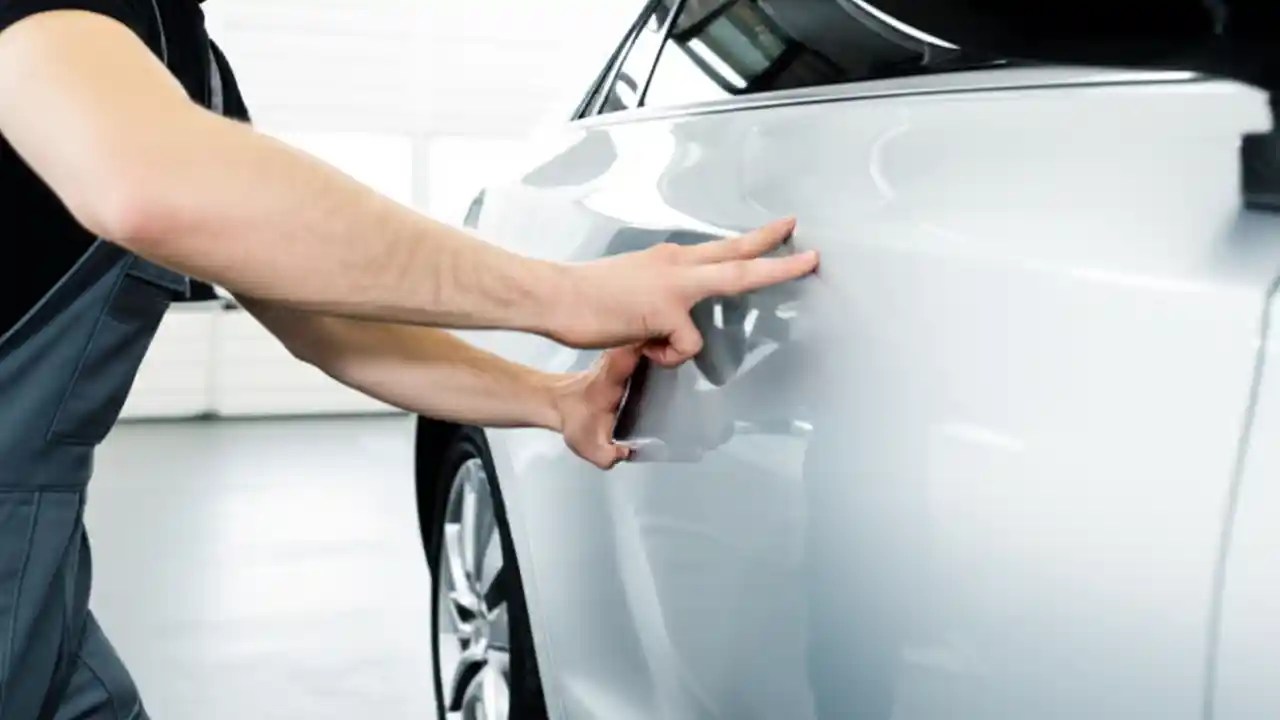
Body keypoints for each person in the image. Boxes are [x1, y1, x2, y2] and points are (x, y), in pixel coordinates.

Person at [0, 0, 817, 717]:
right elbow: (150, 183)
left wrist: (551, 398)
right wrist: (564, 296)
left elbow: (325, 320)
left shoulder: (181, 55)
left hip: (39, 590)